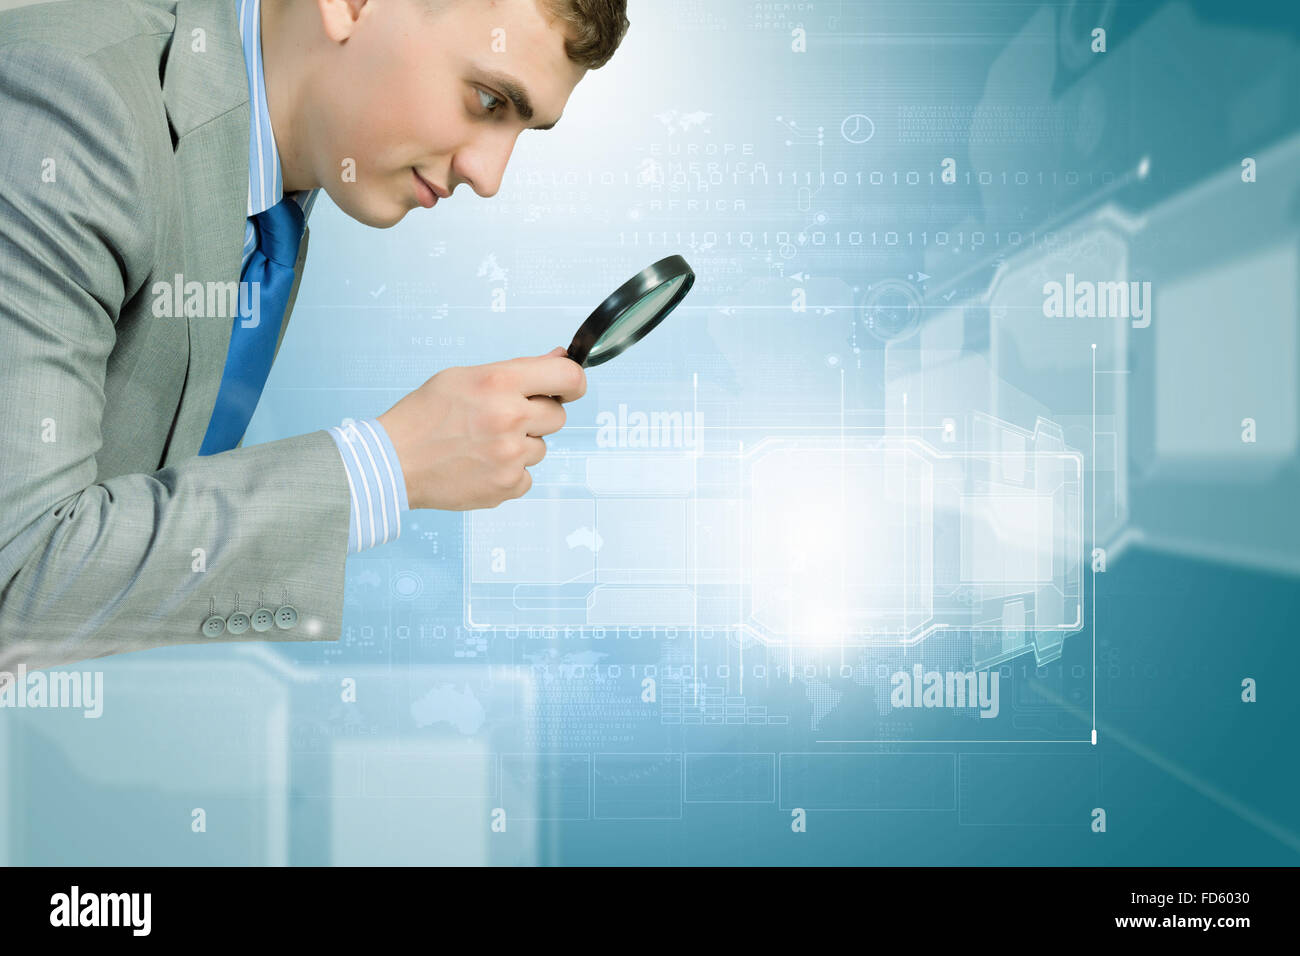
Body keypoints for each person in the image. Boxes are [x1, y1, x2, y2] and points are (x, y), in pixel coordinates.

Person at [0, 0, 629, 669]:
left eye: (524, 129)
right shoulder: (73, 101)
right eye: (486, 99)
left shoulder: (281, 186)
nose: (490, 175)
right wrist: (387, 466)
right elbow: (19, 576)